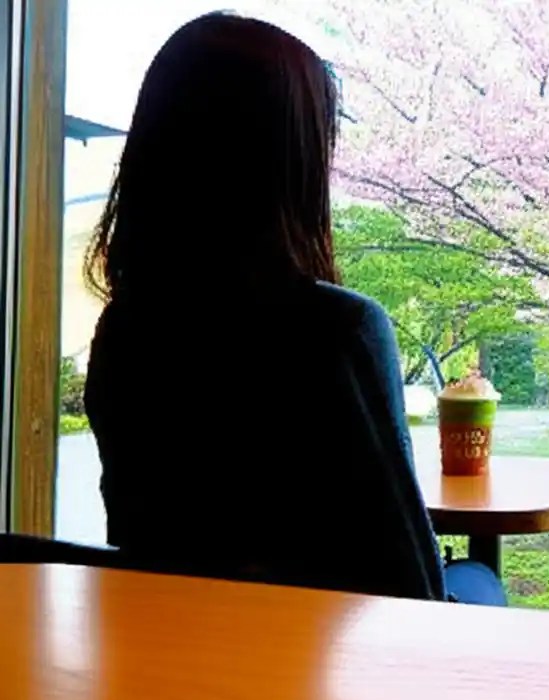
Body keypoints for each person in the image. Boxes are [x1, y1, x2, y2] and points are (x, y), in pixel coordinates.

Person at [82, 13, 505, 607]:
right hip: (325, 672)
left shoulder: (123, 331)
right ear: (293, 162)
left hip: (170, 654)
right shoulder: (338, 332)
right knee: (480, 582)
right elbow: (412, 587)